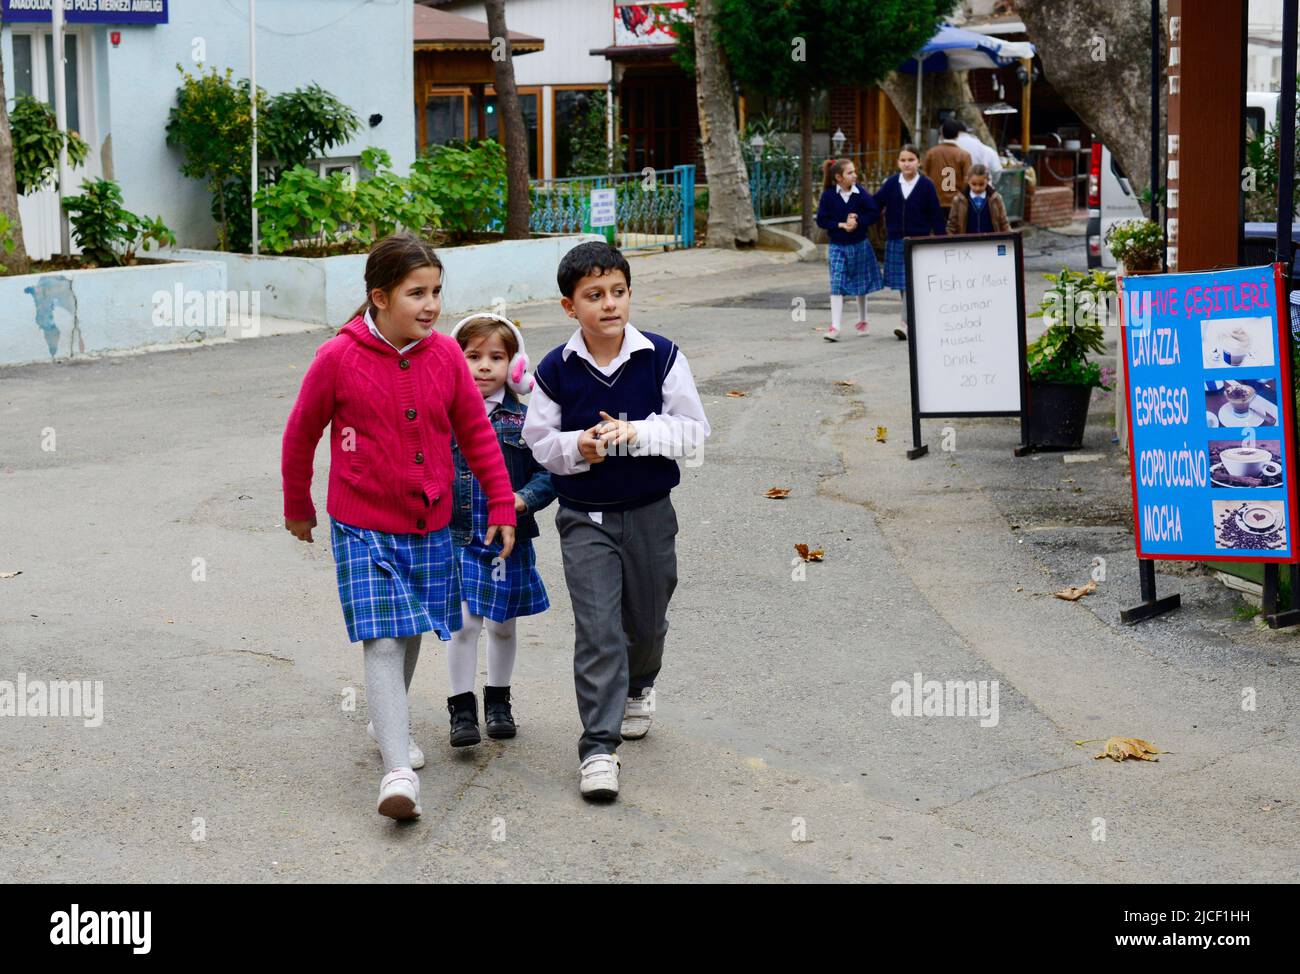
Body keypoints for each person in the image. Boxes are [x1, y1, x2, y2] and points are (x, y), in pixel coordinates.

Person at [281, 234, 517, 821]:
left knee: (409, 632)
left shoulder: (443, 358)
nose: (432, 304)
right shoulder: (337, 357)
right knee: (384, 637)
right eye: (417, 293)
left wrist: (501, 507)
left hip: (430, 522)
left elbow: (478, 436)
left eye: (436, 291)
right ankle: (397, 772)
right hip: (361, 523)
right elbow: (300, 434)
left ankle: (389, 723)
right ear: (380, 297)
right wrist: (298, 506)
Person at [522, 241, 711, 802]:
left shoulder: (662, 356)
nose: (609, 305)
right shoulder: (554, 370)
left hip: (651, 514)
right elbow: (540, 445)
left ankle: (641, 683)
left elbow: (694, 432)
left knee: (646, 624)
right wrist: (580, 446)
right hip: (585, 518)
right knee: (598, 629)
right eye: (594, 296)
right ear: (569, 306)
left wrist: (638, 432)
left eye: (618, 293)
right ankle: (599, 749)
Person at [444, 313, 556, 747]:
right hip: (456, 538)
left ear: (515, 367)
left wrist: (523, 498)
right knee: (464, 625)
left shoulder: (526, 422)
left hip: (508, 543)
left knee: (503, 625)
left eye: (496, 357)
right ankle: (461, 709)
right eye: (473, 357)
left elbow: (549, 475)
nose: (484, 366)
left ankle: (498, 701)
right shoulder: (443, 418)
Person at [873, 144, 946, 340]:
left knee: (910, 283)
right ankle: (913, 320)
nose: (907, 164)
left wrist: (941, 240)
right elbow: (874, 205)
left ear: (918, 162)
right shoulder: (890, 184)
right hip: (896, 240)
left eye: (911, 160)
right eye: (903, 160)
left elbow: (935, 215)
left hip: (918, 242)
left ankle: (904, 323)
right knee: (903, 285)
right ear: (898, 162)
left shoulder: (926, 185)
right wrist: (856, 217)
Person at [814, 157, 884, 341]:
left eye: (854, 171)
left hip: (859, 244)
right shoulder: (829, 195)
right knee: (837, 283)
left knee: (861, 284)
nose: (855, 175)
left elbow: (874, 212)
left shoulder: (860, 193)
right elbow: (821, 220)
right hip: (837, 245)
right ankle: (835, 326)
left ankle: (862, 320)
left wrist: (858, 219)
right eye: (850, 172)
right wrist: (840, 225)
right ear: (838, 177)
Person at [921, 118, 972, 224]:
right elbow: (967, 180)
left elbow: (924, 176)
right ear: (958, 134)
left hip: (935, 201)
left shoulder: (931, 153)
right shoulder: (964, 155)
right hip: (956, 202)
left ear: (942, 134)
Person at [946, 164, 1012, 235]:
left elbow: (1004, 222)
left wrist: (1012, 238)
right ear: (968, 180)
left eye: (981, 184)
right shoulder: (958, 200)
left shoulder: (996, 199)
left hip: (991, 242)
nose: (977, 188)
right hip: (967, 243)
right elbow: (952, 225)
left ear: (988, 180)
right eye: (974, 184)